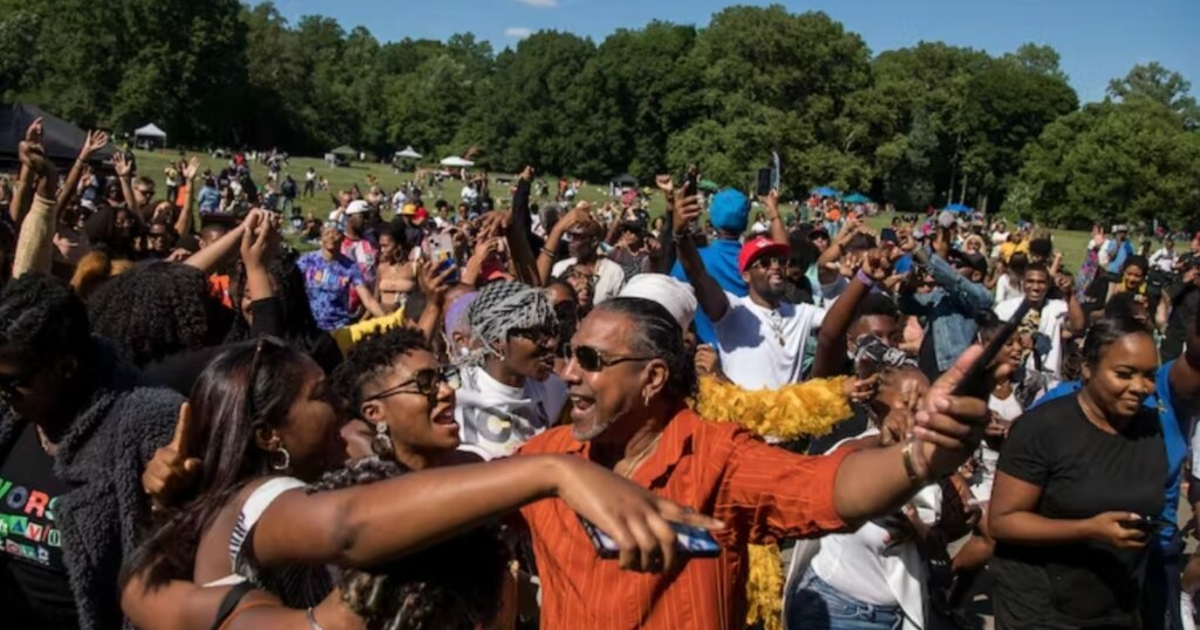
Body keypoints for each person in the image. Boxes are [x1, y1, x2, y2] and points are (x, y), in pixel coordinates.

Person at [127, 337, 719, 625]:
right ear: (267, 436)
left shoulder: (344, 473)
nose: (341, 407)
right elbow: (347, 527)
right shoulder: (265, 499)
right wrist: (555, 471)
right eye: (322, 396)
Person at [517, 296, 990, 629]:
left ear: (653, 377)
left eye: (589, 359)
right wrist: (556, 473)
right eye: (569, 354)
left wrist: (918, 458)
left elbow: (825, 488)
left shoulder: (716, 460)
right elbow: (478, 499)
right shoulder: (547, 456)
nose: (568, 373)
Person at [0, 274, 184, 630]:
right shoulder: (12, 420)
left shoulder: (145, 425)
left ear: (64, 367)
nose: (3, 394)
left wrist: (169, 501)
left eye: (11, 383)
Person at [989, 313, 1170, 629]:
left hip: (1116, 604)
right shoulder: (1043, 428)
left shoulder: (1151, 427)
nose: (1140, 387)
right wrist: (1088, 529)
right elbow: (1003, 522)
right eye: (1124, 374)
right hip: (1040, 608)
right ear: (1087, 367)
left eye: (1149, 375)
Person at [454, 280, 568, 460]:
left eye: (552, 331)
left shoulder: (556, 391)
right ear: (497, 341)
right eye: (537, 334)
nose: (551, 343)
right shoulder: (453, 394)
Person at [994, 262, 1086, 386]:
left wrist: (1069, 293)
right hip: (1010, 379)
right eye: (1030, 281)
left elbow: (1078, 326)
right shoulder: (1004, 309)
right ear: (1023, 283)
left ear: (1048, 285)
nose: (1035, 287)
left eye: (1041, 282)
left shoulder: (1056, 308)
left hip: (1047, 382)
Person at [296, 222, 386, 331]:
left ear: (343, 238)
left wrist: (387, 320)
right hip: (312, 326)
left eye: (335, 233)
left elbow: (368, 300)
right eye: (326, 234)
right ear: (321, 238)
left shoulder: (350, 266)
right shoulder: (308, 260)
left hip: (339, 326)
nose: (331, 237)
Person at [538, 203, 626, 304]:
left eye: (577, 238)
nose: (571, 242)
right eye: (570, 236)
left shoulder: (613, 273)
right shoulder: (560, 268)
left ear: (594, 241)